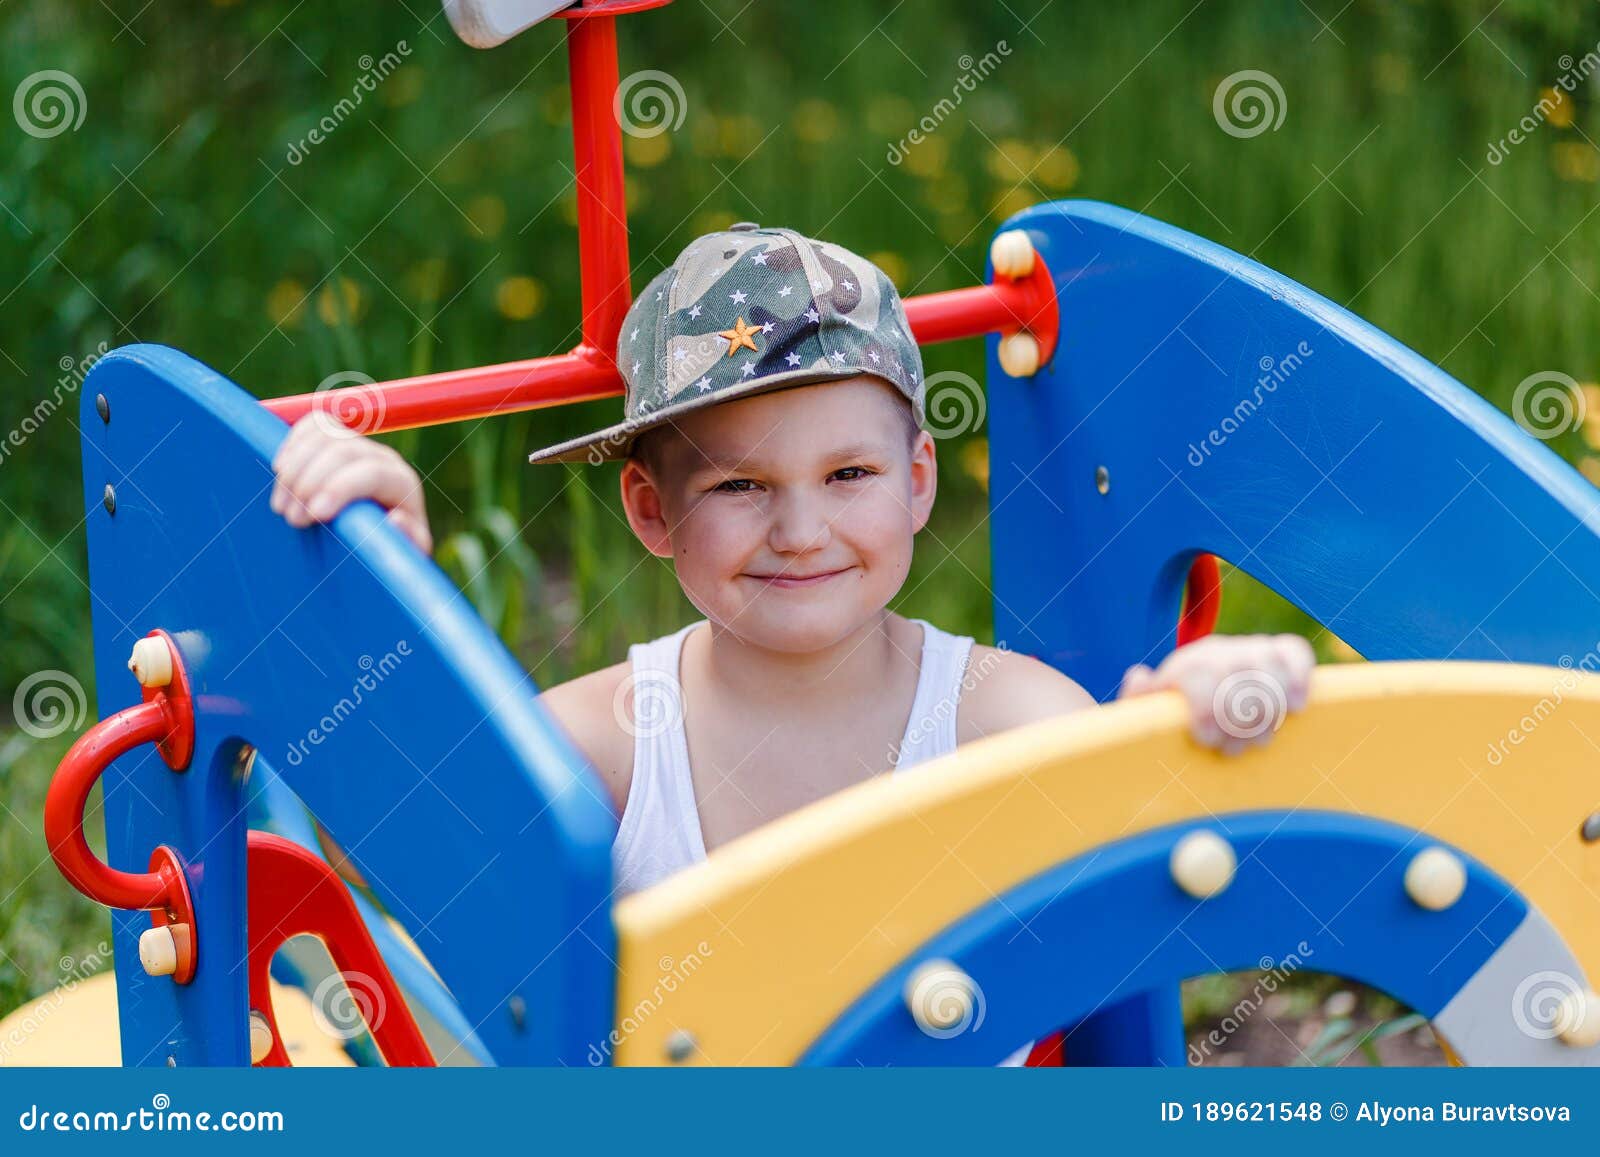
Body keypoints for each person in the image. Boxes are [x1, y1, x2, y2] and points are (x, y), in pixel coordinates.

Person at [270, 226, 1314, 1057]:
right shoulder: (614, 741)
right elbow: (394, 845)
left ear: (916, 481)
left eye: (848, 475)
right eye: (740, 485)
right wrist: (379, 591)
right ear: (650, 510)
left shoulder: (998, 716)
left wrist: (1204, 707)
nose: (802, 530)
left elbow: (1145, 824)